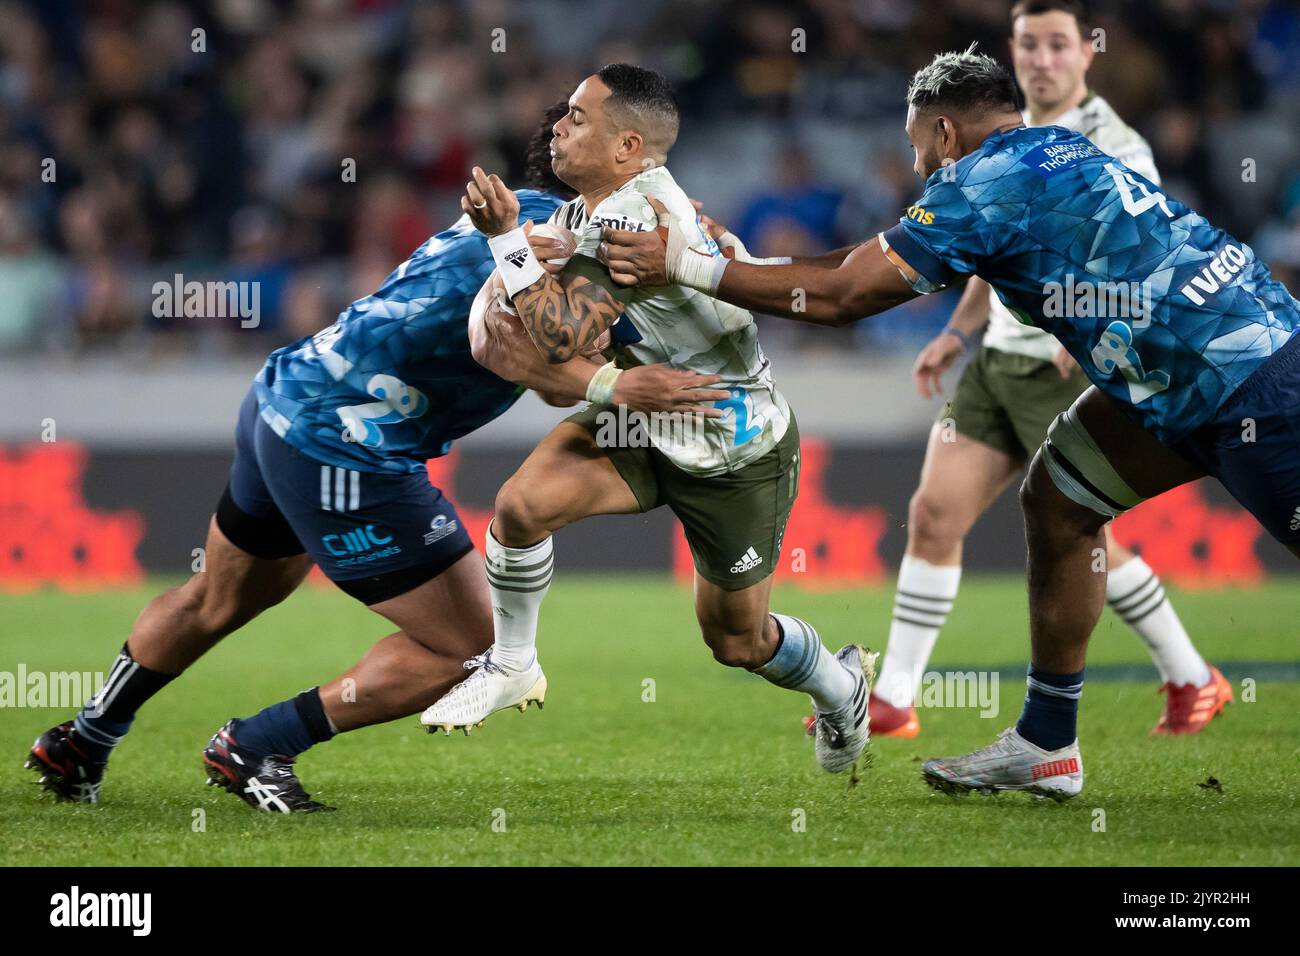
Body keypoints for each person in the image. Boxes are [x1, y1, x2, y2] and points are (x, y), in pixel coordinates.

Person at [598, 47, 1300, 798]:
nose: (919, 170)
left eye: (916, 150)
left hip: (1250, 384)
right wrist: (743, 261)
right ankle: (1046, 744)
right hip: (1192, 366)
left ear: (942, 133)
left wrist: (692, 266)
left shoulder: (978, 183)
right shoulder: (1048, 149)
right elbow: (864, 262)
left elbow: (845, 300)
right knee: (1061, 501)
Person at [25, 103, 722, 812]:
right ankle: (258, 744)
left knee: (218, 597)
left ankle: (85, 736)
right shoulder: (561, 249)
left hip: (286, 397)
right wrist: (621, 375)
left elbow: (539, 360)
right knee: (477, 649)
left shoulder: (525, 217)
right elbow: (525, 355)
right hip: (347, 447)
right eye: (651, 172)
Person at [420, 63, 876, 776]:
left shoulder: (635, 214)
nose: (558, 126)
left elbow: (566, 334)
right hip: (644, 414)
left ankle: (841, 687)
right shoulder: (590, 213)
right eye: (562, 114)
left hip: (731, 443)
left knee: (737, 641)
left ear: (629, 146)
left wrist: (505, 239)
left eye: (578, 117)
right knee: (519, 507)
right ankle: (511, 663)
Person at [851, 0, 1227, 741]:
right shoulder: (1005, 141)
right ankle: (894, 696)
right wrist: (960, 332)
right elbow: (992, 246)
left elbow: (1145, 246)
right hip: (997, 361)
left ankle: (1190, 674)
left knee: (1081, 537)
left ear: (1087, 53)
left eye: (1057, 45)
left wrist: (1095, 328)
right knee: (933, 514)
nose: (1042, 60)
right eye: (1028, 45)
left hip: (1066, 368)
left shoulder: (1114, 142)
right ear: (1012, 55)